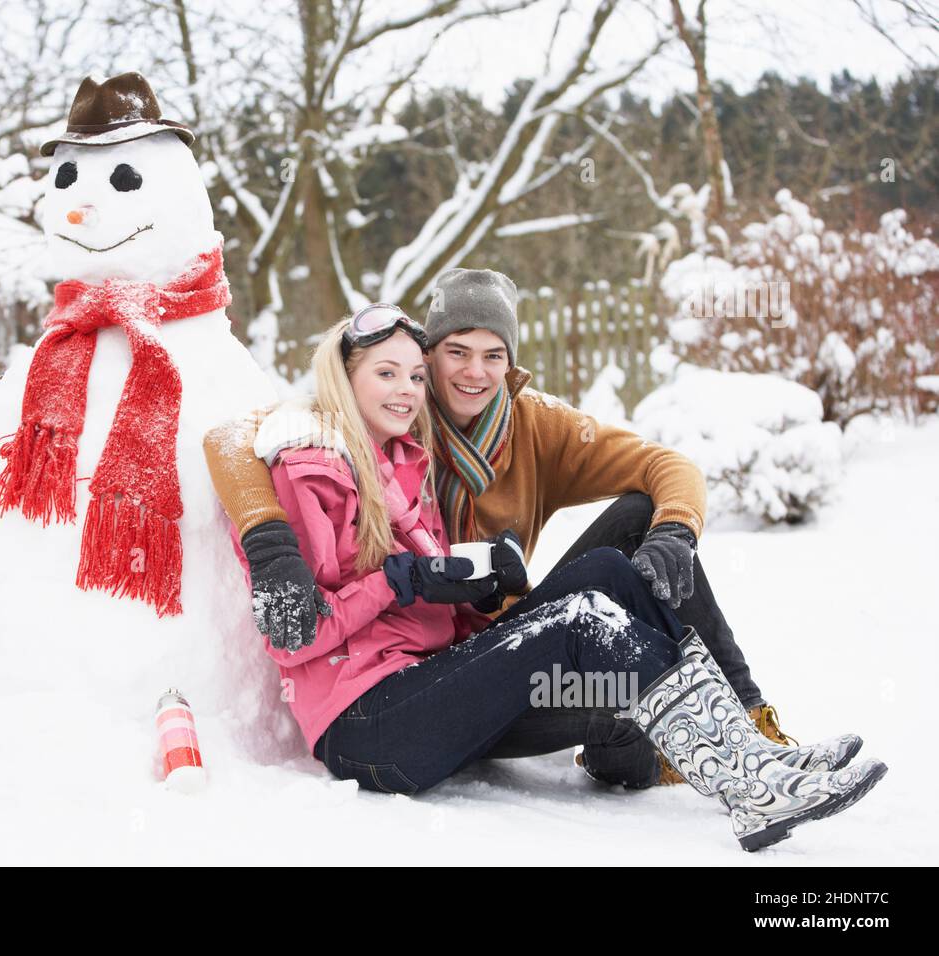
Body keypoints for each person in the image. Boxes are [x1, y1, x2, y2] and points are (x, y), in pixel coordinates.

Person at [225, 307, 886, 851]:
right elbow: (295, 638)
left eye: (417, 375)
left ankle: (749, 749)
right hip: (365, 726)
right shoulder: (306, 469)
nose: (407, 390)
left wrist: (473, 589)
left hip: (432, 690)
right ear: (345, 378)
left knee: (606, 570)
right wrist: (402, 580)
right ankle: (745, 781)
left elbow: (425, 608)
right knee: (581, 619)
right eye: (386, 373)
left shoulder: (403, 461)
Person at [207, 269, 795, 784]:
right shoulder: (388, 422)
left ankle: (747, 726)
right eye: (456, 352)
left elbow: (667, 466)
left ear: (511, 363)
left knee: (633, 536)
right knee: (595, 648)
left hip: (480, 633)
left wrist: (676, 533)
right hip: (422, 670)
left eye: (494, 356)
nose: (474, 372)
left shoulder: (530, 427)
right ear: (430, 352)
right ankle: (708, 755)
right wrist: (268, 541)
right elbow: (233, 437)